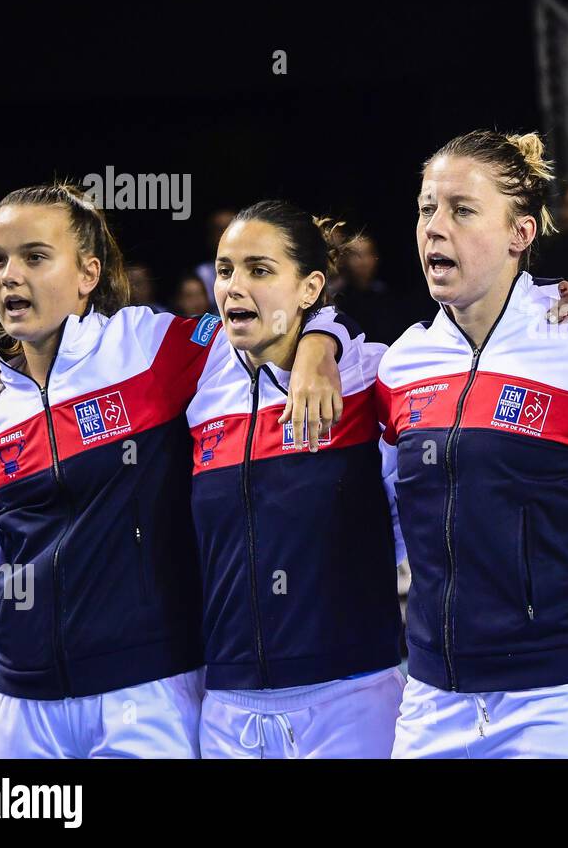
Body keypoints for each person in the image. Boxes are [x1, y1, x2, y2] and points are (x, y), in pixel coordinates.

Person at [0, 184, 344, 759]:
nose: (10, 276)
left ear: (88, 274)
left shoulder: (150, 347)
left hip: (148, 698)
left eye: (35, 257)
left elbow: (263, 325)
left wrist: (319, 342)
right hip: (23, 713)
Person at [379, 130, 568, 758]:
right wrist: (322, 343)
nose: (434, 228)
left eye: (462, 209)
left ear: (521, 233)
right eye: (426, 209)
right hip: (431, 699)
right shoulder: (402, 366)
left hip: (562, 695)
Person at [188, 202, 404, 758]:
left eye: (260, 270)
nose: (235, 286)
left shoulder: (372, 376)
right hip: (227, 711)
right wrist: (7, 356)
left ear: (310, 288)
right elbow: (89, 348)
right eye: (226, 269)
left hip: (353, 698)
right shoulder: (196, 387)